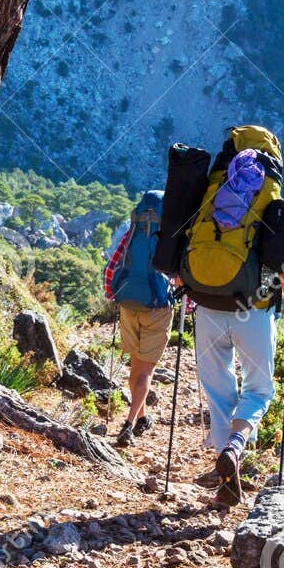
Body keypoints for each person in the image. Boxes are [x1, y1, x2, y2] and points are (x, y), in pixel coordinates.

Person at [161, 125, 284, 507]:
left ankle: (227, 482)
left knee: (219, 389)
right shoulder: (270, 202)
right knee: (258, 389)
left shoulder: (210, 192)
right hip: (251, 311)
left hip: (205, 305)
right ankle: (236, 448)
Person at [102, 190, 173, 448]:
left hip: (128, 301)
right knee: (146, 372)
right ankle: (129, 424)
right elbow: (178, 276)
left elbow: (112, 265)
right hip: (157, 307)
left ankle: (142, 417)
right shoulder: (168, 236)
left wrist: (112, 295)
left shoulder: (133, 232)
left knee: (135, 367)